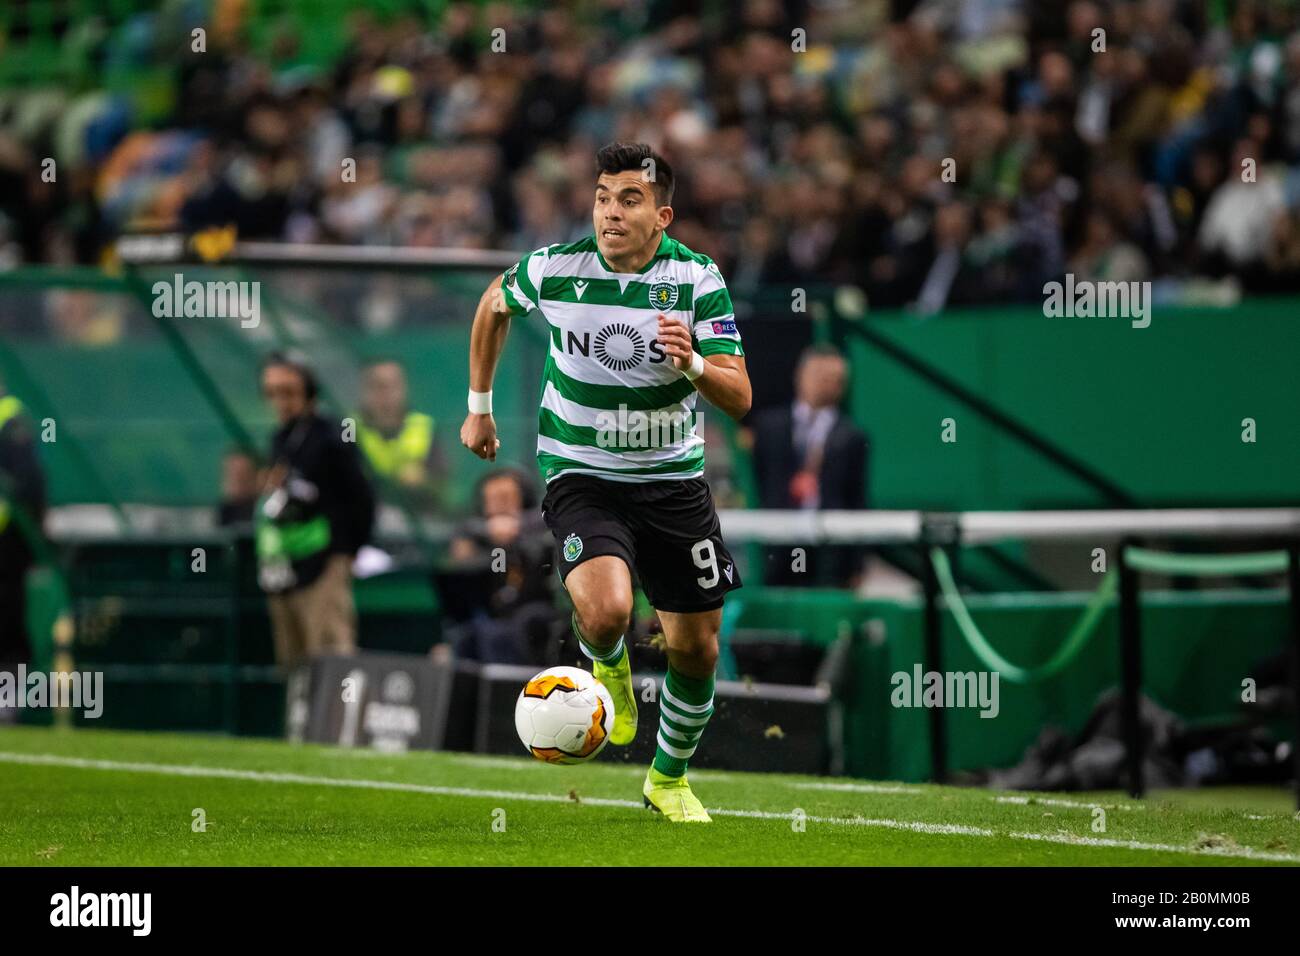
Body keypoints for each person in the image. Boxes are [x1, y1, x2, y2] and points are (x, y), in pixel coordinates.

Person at [460, 142, 751, 822]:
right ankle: (609, 666)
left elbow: (738, 397)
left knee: (696, 648)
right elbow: (494, 305)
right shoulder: (557, 267)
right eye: (602, 197)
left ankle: (668, 779)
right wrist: (479, 407)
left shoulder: (697, 280)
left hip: (674, 484)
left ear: (663, 215)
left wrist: (696, 368)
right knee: (608, 610)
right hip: (582, 473)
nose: (610, 212)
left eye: (629, 200)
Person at [257, 353, 375, 669]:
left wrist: (347, 553)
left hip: (326, 561)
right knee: (292, 662)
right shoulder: (281, 438)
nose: (280, 402)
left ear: (309, 391)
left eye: (289, 392)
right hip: (285, 564)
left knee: (330, 655)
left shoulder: (331, 436)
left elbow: (362, 497)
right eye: (272, 393)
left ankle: (336, 719)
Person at [750, 345, 870, 588]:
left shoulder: (853, 437)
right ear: (800, 375)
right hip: (776, 548)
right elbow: (758, 483)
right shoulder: (768, 427)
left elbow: (858, 499)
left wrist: (857, 565)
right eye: (821, 376)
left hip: (830, 553)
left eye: (836, 379)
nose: (828, 384)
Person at [439, 468, 557, 663]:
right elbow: (473, 552)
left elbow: (543, 524)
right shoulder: (482, 537)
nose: (497, 505)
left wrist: (517, 528)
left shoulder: (541, 524)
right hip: (492, 613)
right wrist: (489, 534)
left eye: (505, 497)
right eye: (491, 499)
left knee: (518, 626)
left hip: (534, 610)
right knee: (469, 633)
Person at [0, 383, 46, 720]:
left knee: (8, 618)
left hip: (8, 541)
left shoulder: (10, 417)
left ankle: (8, 701)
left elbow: (28, 482)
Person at [354, 358, 445, 510]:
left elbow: (442, 483)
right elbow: (340, 471)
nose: (386, 394)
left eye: (393, 385)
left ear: (404, 388)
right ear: (365, 390)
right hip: (364, 510)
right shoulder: (348, 425)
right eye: (378, 386)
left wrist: (423, 479)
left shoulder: (424, 425)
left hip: (417, 513)